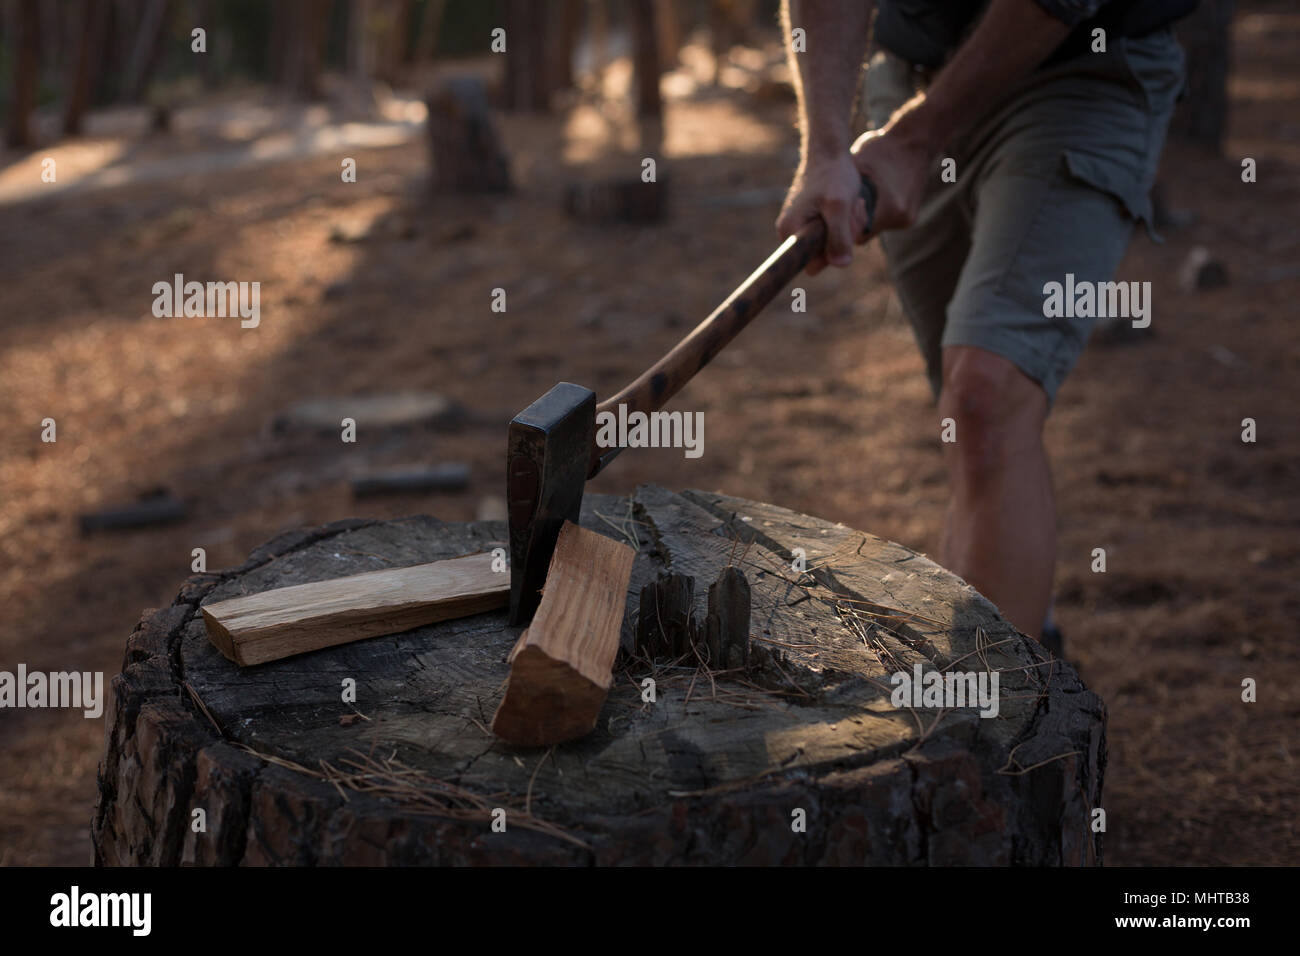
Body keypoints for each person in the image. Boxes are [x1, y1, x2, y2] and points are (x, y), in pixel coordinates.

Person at [777, 0, 1195, 653]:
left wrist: (917, 140)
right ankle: (1031, 646)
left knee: (985, 395)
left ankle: (994, 732)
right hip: (911, 76)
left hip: (1081, 70)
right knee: (966, 417)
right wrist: (827, 149)